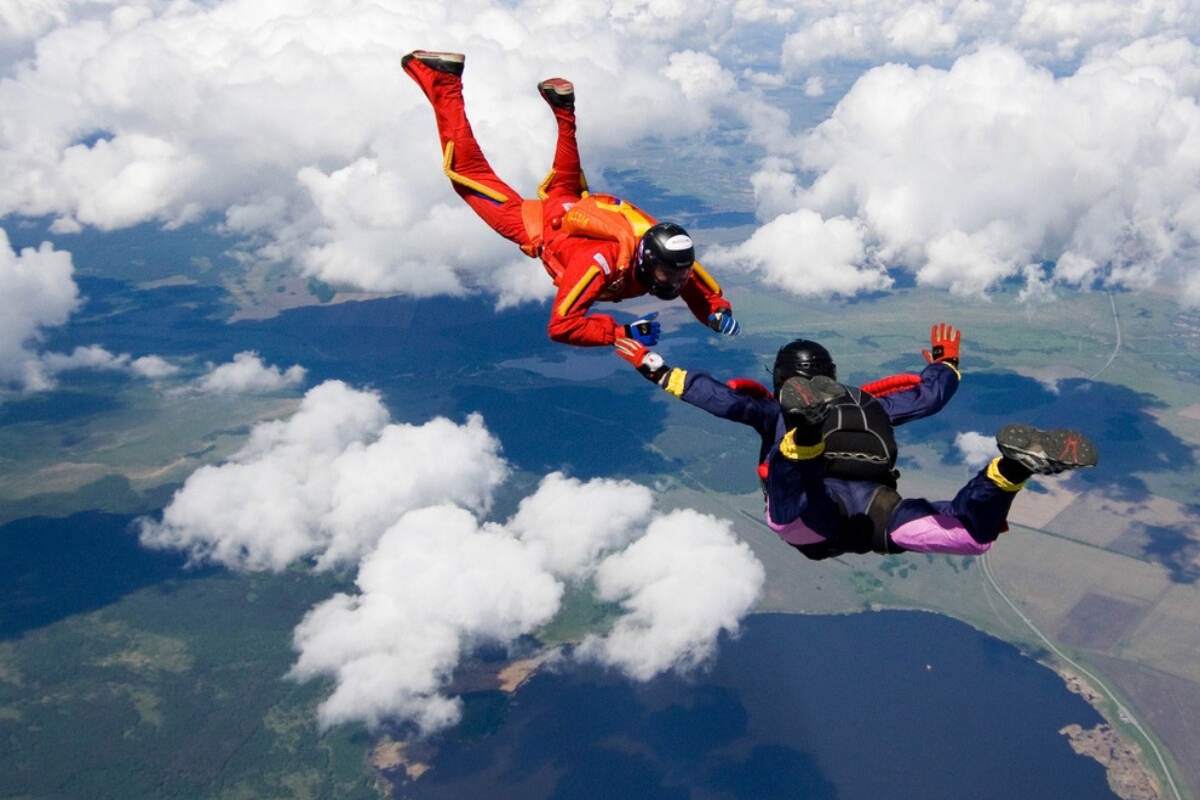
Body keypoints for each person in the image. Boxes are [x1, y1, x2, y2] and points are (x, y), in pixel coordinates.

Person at [614, 324, 1099, 559]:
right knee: (971, 536)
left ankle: (804, 438)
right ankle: (1010, 471)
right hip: (875, 506)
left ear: (783, 381)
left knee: (790, 494)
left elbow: (719, 399)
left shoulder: (768, 409)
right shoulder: (871, 405)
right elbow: (928, 399)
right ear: (830, 379)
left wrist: (654, 367)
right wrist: (946, 364)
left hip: (813, 509)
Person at [402, 50, 740, 347]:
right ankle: (445, 83)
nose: (679, 282)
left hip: (574, 209)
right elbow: (562, 326)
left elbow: (702, 291)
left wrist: (716, 312)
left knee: (564, 190)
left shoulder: (665, 261)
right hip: (543, 228)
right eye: (672, 275)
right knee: (468, 174)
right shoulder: (599, 264)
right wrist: (621, 334)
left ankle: (564, 110)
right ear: (648, 261)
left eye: (681, 274)